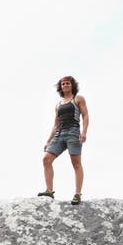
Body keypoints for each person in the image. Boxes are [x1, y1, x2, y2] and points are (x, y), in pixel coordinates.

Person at [38, 75, 89, 205]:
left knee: (76, 163)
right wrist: (48, 140)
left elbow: (85, 115)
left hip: (73, 133)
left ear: (72, 85)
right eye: (63, 84)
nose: (65, 86)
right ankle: (49, 191)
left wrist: (84, 132)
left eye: (67, 83)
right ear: (60, 87)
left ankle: (77, 194)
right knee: (46, 159)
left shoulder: (78, 99)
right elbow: (55, 124)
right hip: (59, 134)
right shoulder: (58, 104)